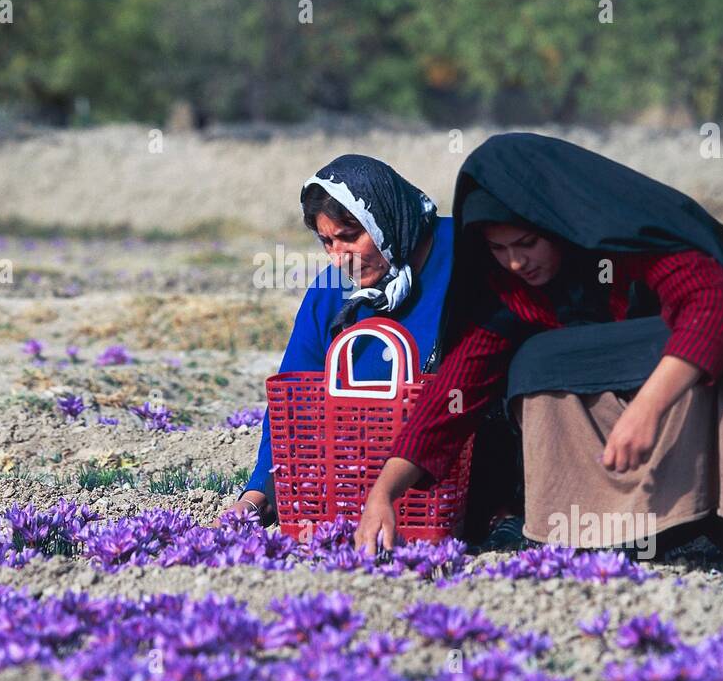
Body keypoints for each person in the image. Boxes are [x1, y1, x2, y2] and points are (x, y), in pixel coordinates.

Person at [353, 132, 723, 576]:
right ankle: (596, 530)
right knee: (535, 362)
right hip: (635, 417)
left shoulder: (630, 236)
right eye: (499, 249)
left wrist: (647, 408)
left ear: (556, 222)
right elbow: (453, 391)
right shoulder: (513, 287)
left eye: (527, 243)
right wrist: (385, 492)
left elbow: (711, 306)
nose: (516, 262)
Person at [220, 153, 522, 545]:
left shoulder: (468, 256)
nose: (339, 255)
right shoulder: (332, 291)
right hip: (365, 467)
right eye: (327, 241)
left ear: (385, 218)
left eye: (350, 236)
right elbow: (296, 396)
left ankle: (509, 506)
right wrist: (256, 497)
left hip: (465, 452)